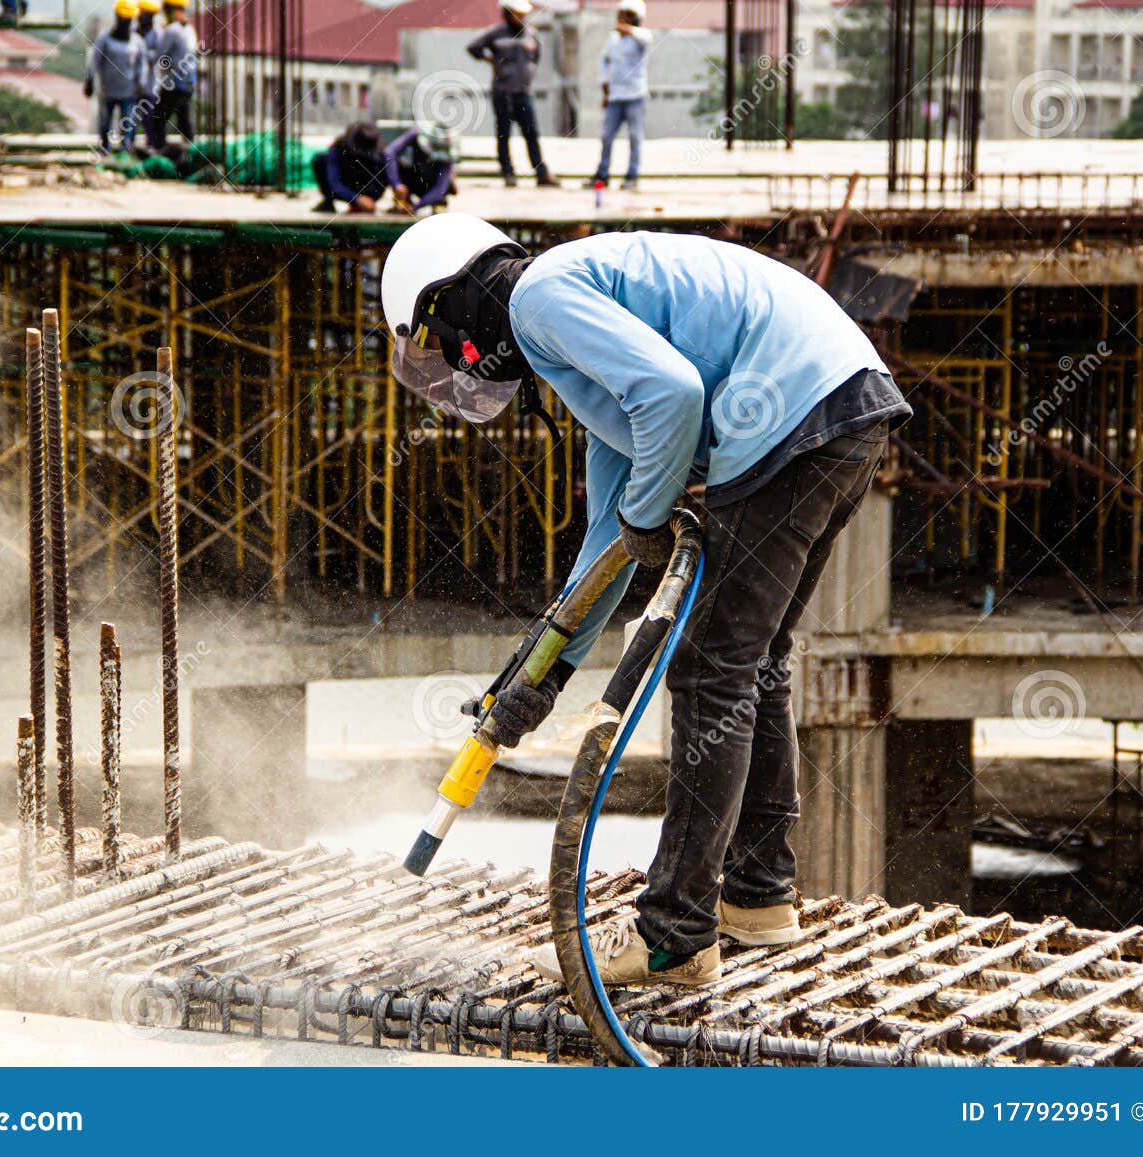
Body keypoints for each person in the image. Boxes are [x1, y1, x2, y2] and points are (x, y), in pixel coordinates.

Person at [380, 216, 911, 986]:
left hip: (794, 411)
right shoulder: (586, 344)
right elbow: (608, 547)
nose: (463, 367)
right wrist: (541, 673)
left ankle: (675, 933)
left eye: (448, 348)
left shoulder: (538, 298)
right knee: (753, 658)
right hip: (844, 405)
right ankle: (759, 898)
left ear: (453, 302)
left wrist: (647, 513)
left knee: (709, 670)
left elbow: (674, 394)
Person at [467, 0, 559, 188]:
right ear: (508, 13)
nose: (522, 17)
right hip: (503, 92)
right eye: (518, 13)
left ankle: (541, 173)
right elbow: (473, 48)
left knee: (531, 133)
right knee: (504, 133)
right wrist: (492, 61)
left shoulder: (530, 34)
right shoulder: (495, 33)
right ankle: (508, 172)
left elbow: (536, 55)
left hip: (523, 92)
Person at [594, 0, 651, 190]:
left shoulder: (641, 36)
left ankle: (632, 175)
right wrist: (605, 88)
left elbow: (645, 38)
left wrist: (628, 29)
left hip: (635, 96)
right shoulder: (613, 39)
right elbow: (604, 61)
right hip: (615, 96)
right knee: (607, 136)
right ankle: (602, 173)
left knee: (635, 137)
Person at [85, 1, 149, 155]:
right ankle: (104, 152)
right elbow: (94, 61)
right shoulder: (104, 39)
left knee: (127, 125)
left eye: (128, 19)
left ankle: (124, 154)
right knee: (105, 124)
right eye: (123, 18)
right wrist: (89, 80)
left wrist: (141, 85)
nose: (125, 22)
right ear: (117, 18)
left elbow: (142, 65)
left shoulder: (137, 42)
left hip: (129, 93)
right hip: (107, 92)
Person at [149, 0, 199, 148]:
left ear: (171, 11)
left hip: (173, 84)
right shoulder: (189, 30)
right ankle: (190, 152)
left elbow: (159, 54)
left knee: (158, 118)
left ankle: (159, 152)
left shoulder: (171, 30)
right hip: (189, 82)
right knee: (184, 120)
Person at [310, 122, 388, 213]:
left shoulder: (381, 152)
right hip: (345, 185)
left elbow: (382, 180)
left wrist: (371, 200)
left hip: (367, 188)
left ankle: (367, 203)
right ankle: (328, 202)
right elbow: (333, 180)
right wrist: (355, 198)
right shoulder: (338, 147)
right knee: (320, 159)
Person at [385, 124, 457, 213]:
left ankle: (436, 202)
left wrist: (415, 207)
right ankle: (403, 201)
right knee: (396, 165)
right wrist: (396, 184)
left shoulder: (448, 156)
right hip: (410, 179)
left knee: (444, 185)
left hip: (430, 184)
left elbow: (440, 188)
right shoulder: (416, 134)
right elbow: (389, 153)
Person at [131, 0, 164, 150]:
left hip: (150, 85)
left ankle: (151, 145)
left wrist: (142, 55)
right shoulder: (133, 32)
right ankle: (129, 145)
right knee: (131, 118)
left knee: (149, 117)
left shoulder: (157, 33)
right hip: (133, 85)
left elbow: (159, 54)